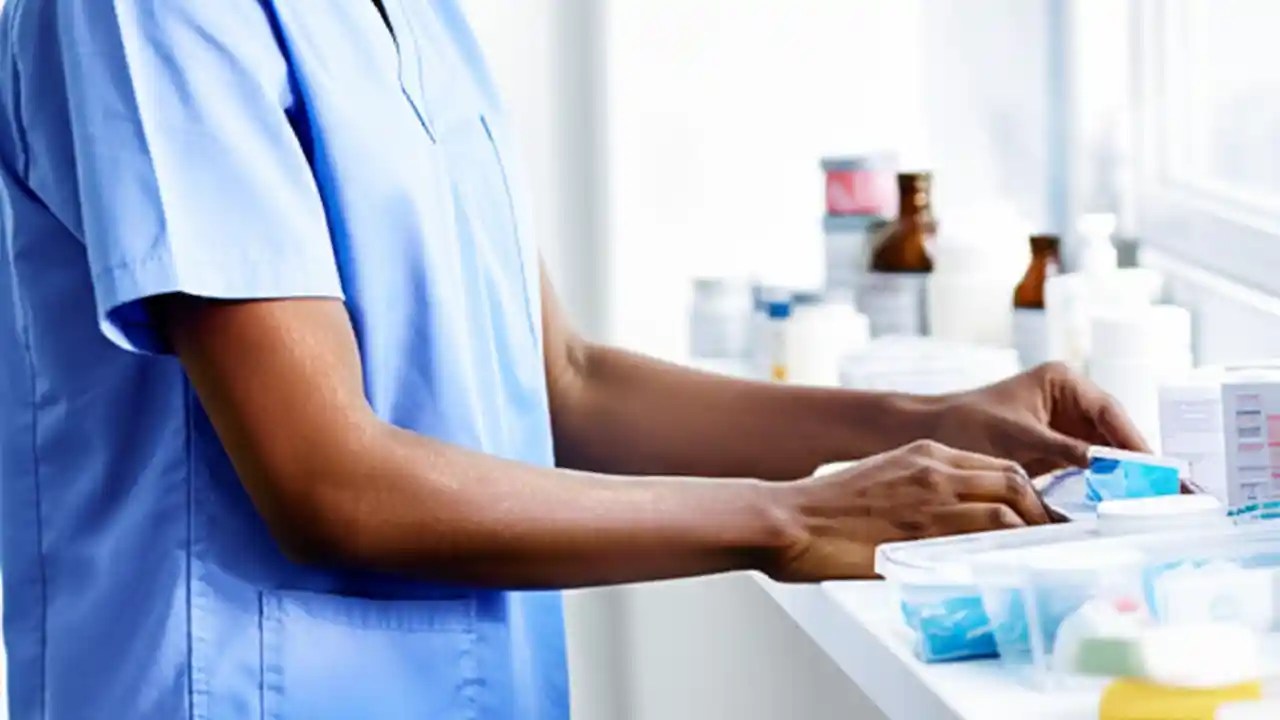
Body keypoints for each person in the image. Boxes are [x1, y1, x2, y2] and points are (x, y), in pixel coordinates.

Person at [0, 0, 1146, 718]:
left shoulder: (417, 19)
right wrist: (790, 518)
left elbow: (562, 382)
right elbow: (327, 482)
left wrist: (925, 421)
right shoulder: (146, 16)